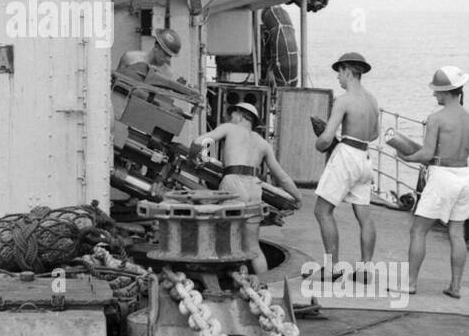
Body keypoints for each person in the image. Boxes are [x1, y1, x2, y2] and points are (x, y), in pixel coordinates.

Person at [397, 66, 469, 298]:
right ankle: (455, 287)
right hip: (464, 176)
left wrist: (405, 156)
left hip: (442, 176)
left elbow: (427, 154)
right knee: (456, 233)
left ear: (446, 92)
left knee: (418, 230)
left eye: (436, 91)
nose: (434, 95)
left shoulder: (436, 119)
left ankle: (410, 283)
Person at [192, 102, 301, 273]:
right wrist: (298, 198)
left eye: (232, 115)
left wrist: (195, 157)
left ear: (240, 115)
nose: (230, 118)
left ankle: (221, 282)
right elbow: (283, 178)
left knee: (222, 240)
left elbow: (201, 141)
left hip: (233, 184)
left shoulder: (229, 128)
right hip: (254, 188)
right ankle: (265, 286)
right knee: (253, 247)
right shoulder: (263, 143)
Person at [308, 52, 379, 281]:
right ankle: (366, 268)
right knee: (364, 216)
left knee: (322, 210)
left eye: (339, 73)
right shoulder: (372, 100)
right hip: (365, 157)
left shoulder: (344, 100)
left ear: (347, 71)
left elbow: (327, 139)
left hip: (346, 155)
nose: (338, 78)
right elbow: (375, 134)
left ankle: (332, 268)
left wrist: (319, 143)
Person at [116, 28, 182, 82]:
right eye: (166, 54)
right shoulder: (130, 58)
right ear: (156, 47)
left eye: (170, 56)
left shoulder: (168, 74)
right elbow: (114, 83)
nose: (168, 59)